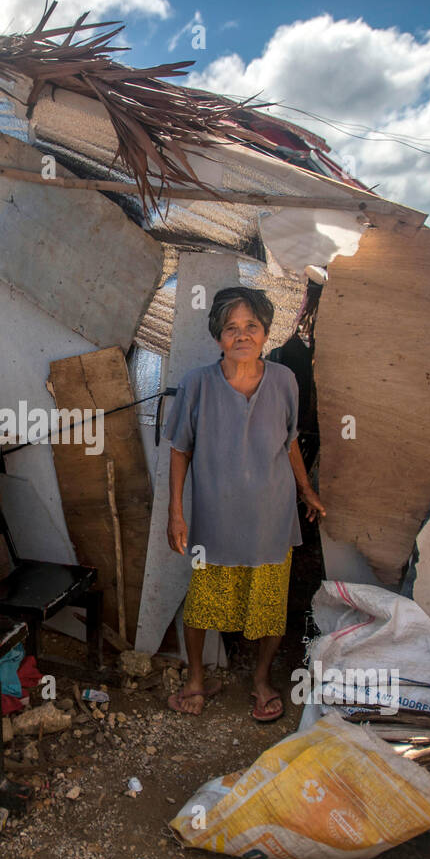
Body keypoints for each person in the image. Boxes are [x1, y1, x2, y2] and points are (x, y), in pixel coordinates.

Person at [164, 287, 325, 721]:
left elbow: (290, 442)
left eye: (251, 326)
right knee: (200, 604)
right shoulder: (197, 384)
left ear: (266, 333)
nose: (242, 335)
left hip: (270, 520)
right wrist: (175, 513)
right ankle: (197, 678)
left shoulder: (284, 381)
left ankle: (260, 680)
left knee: (271, 609)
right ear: (218, 336)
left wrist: (306, 489)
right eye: (231, 328)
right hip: (214, 522)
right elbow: (180, 450)